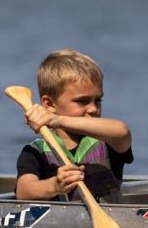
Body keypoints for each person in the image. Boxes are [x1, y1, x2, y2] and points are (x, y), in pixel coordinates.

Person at [14, 49, 134, 201]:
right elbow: (24, 191)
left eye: (98, 100)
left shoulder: (107, 141)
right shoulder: (35, 152)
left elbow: (122, 132)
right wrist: (55, 185)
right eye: (82, 101)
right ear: (49, 104)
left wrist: (57, 120)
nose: (93, 108)